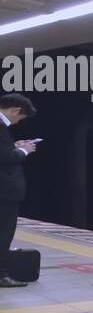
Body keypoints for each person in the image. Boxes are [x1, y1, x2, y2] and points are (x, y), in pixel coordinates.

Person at [0, 94, 37, 288]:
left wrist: (14, 146)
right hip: (4, 193)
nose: (18, 122)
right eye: (20, 118)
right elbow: (4, 158)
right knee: (4, 234)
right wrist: (24, 151)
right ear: (15, 110)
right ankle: (1, 275)